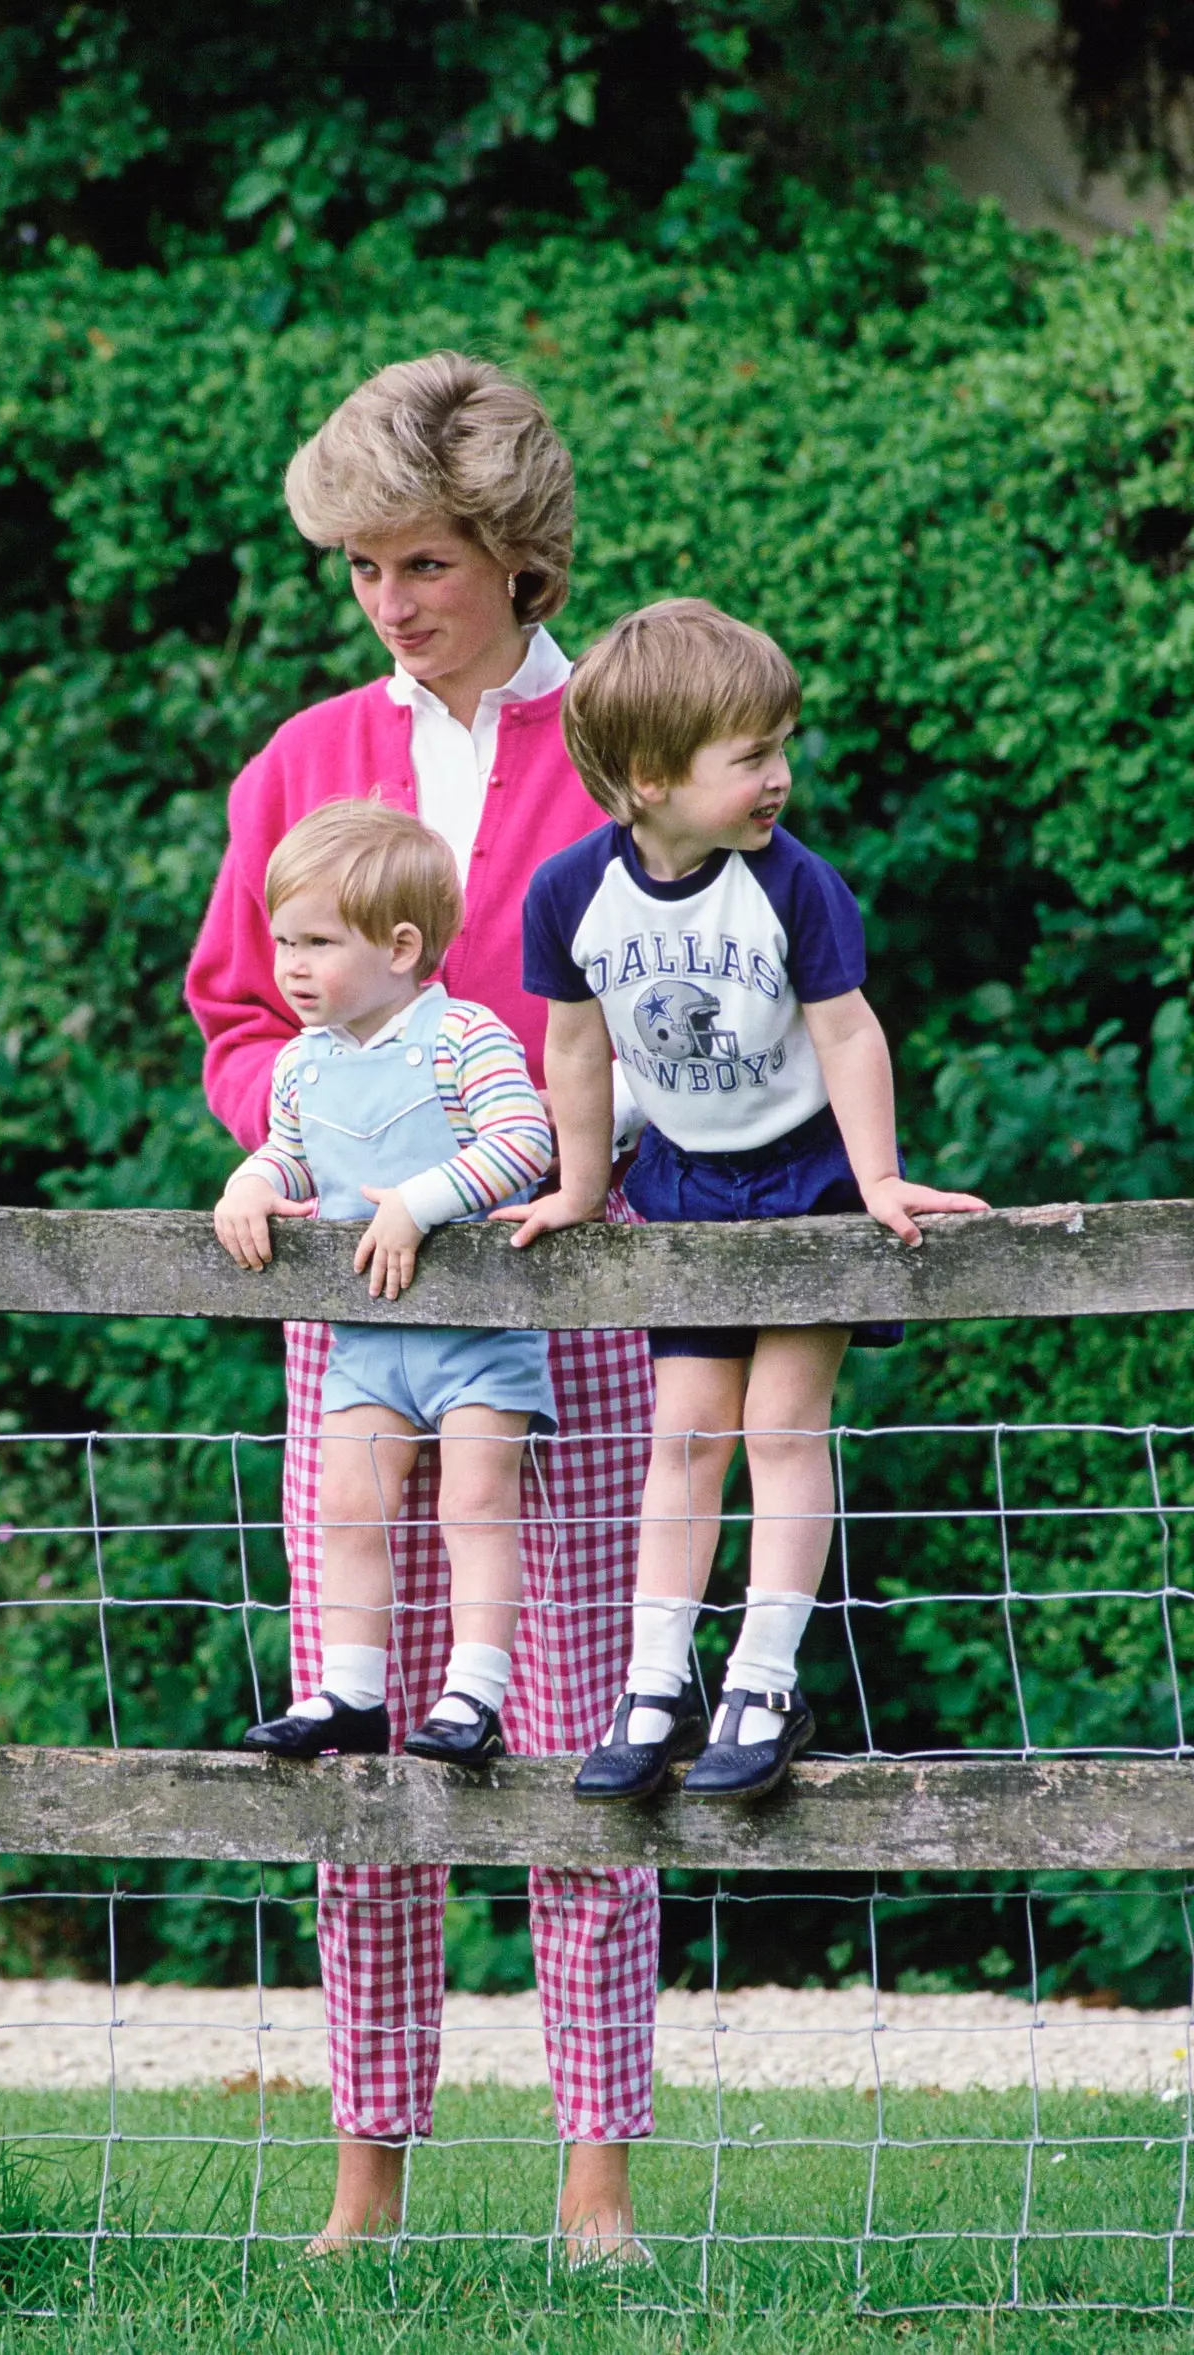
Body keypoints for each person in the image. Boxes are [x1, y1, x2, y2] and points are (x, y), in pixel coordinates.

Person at [186, 353, 658, 2262]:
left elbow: (713, 984)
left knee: (575, 1745)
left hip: (590, 1305)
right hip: (364, 1322)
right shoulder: (305, 761)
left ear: (516, 555)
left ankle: (596, 2191)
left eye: (423, 559)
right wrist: (298, 1149)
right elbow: (236, 1013)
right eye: (364, 564)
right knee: (366, 1739)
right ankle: (364, 2183)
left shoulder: (629, 737)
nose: (388, 598)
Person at [508, 598, 988, 1801]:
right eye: (750, 757)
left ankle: (764, 1679)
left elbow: (846, 1031)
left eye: (781, 746)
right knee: (682, 1440)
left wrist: (874, 1176)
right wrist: (577, 1184)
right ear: (647, 778)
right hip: (679, 1184)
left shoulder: (795, 886)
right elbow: (574, 1053)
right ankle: (655, 1681)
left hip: (805, 1173)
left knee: (780, 1427)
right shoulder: (570, 896)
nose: (780, 777)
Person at [214, 800, 556, 1765]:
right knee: (347, 1507)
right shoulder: (299, 1066)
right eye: (281, 941)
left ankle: (473, 1694)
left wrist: (422, 1198)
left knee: (475, 1504)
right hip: (365, 1345)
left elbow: (525, 1141)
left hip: (476, 1340)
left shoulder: (466, 1037)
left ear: (403, 945)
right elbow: (291, 1158)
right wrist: (251, 1182)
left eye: (317, 942)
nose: (289, 965)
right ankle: (352, 1692)